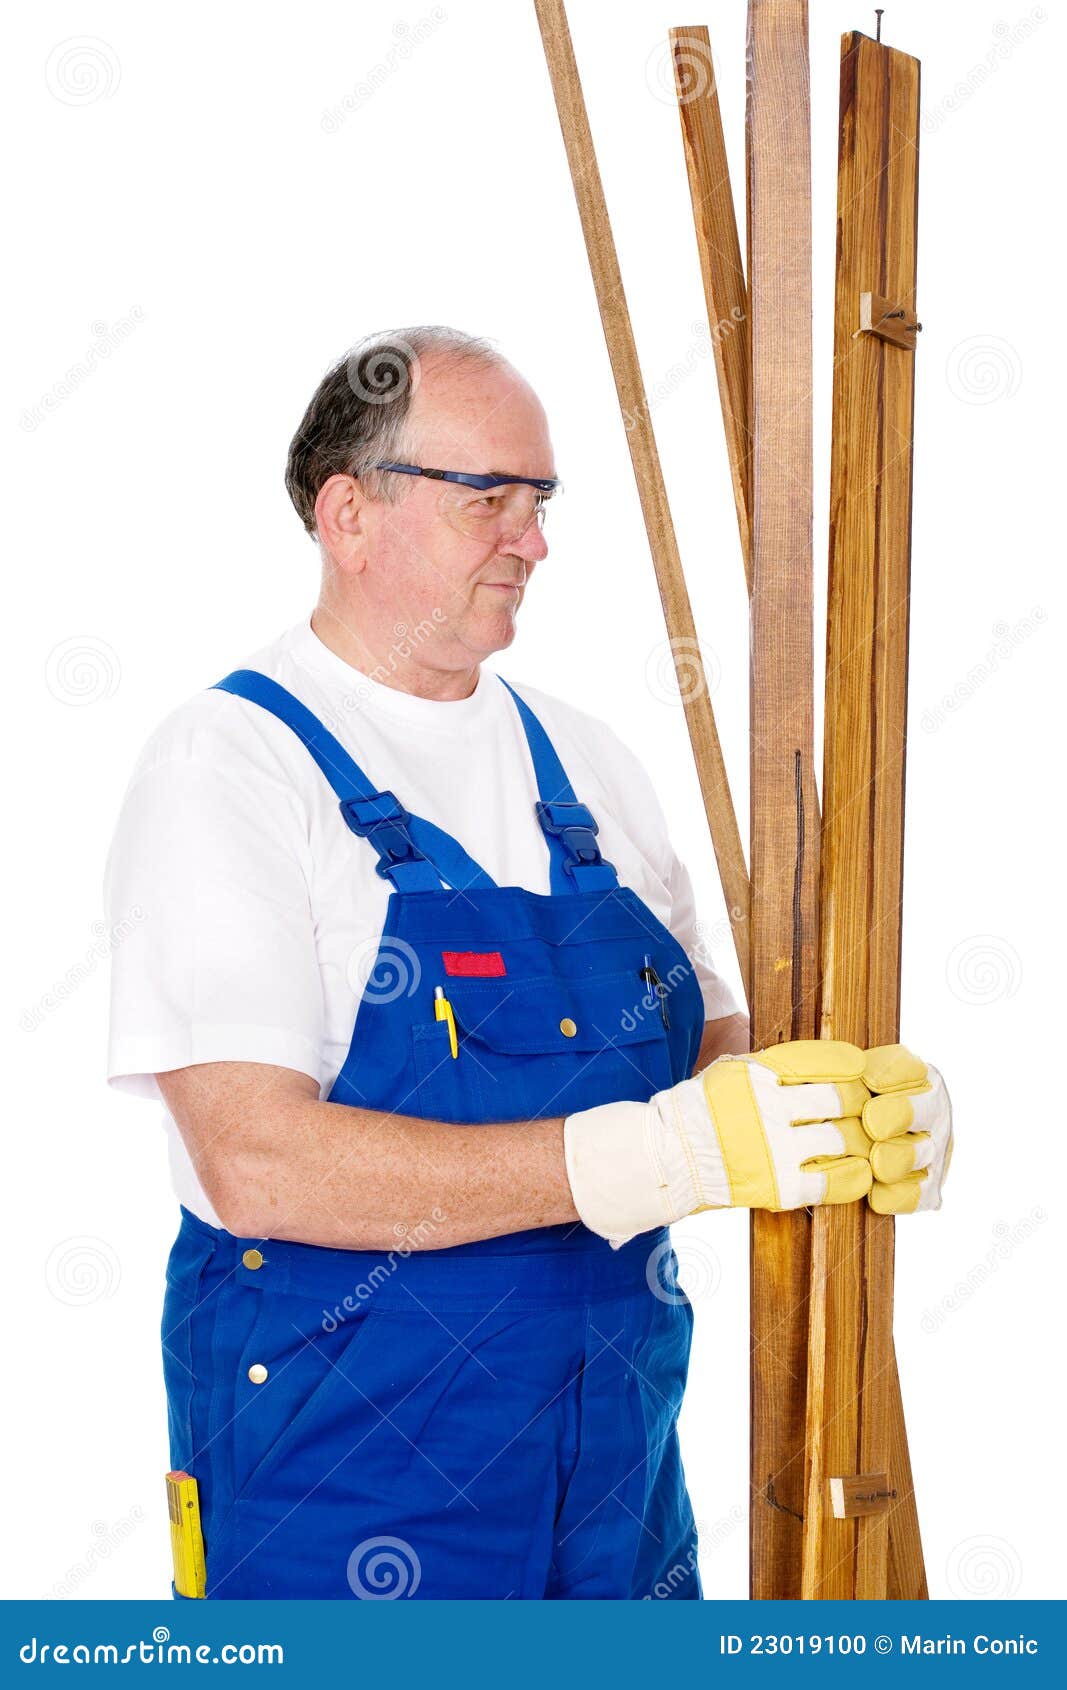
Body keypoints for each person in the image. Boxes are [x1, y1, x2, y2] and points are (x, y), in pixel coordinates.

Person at [104, 326, 952, 1601]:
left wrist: (843, 1112)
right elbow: (256, 1159)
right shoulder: (229, 767)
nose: (532, 538)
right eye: (486, 497)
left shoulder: (589, 763)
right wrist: (655, 1156)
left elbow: (712, 1052)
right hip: (345, 1480)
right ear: (349, 513)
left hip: (613, 1472)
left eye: (541, 500)